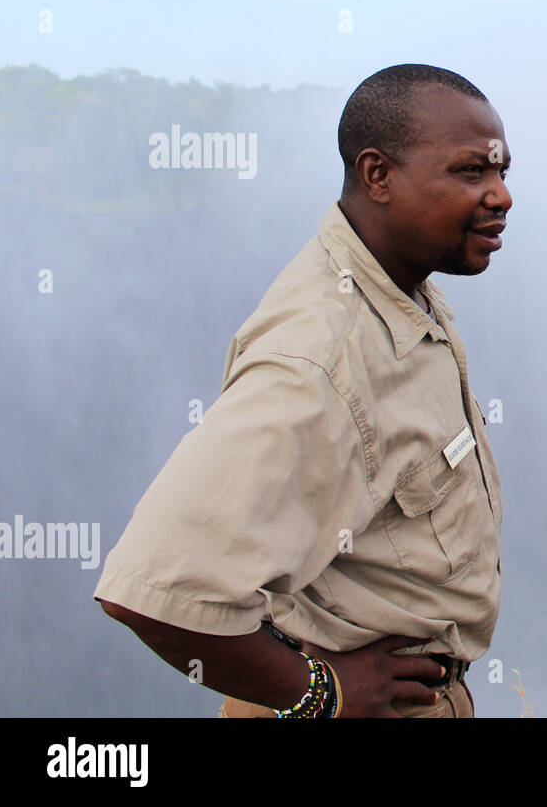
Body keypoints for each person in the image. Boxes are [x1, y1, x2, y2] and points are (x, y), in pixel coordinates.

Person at [93, 64, 511, 718]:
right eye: (470, 172)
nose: (501, 196)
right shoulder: (318, 358)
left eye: (501, 172)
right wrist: (321, 692)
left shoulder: (405, 293)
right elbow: (147, 588)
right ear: (378, 175)